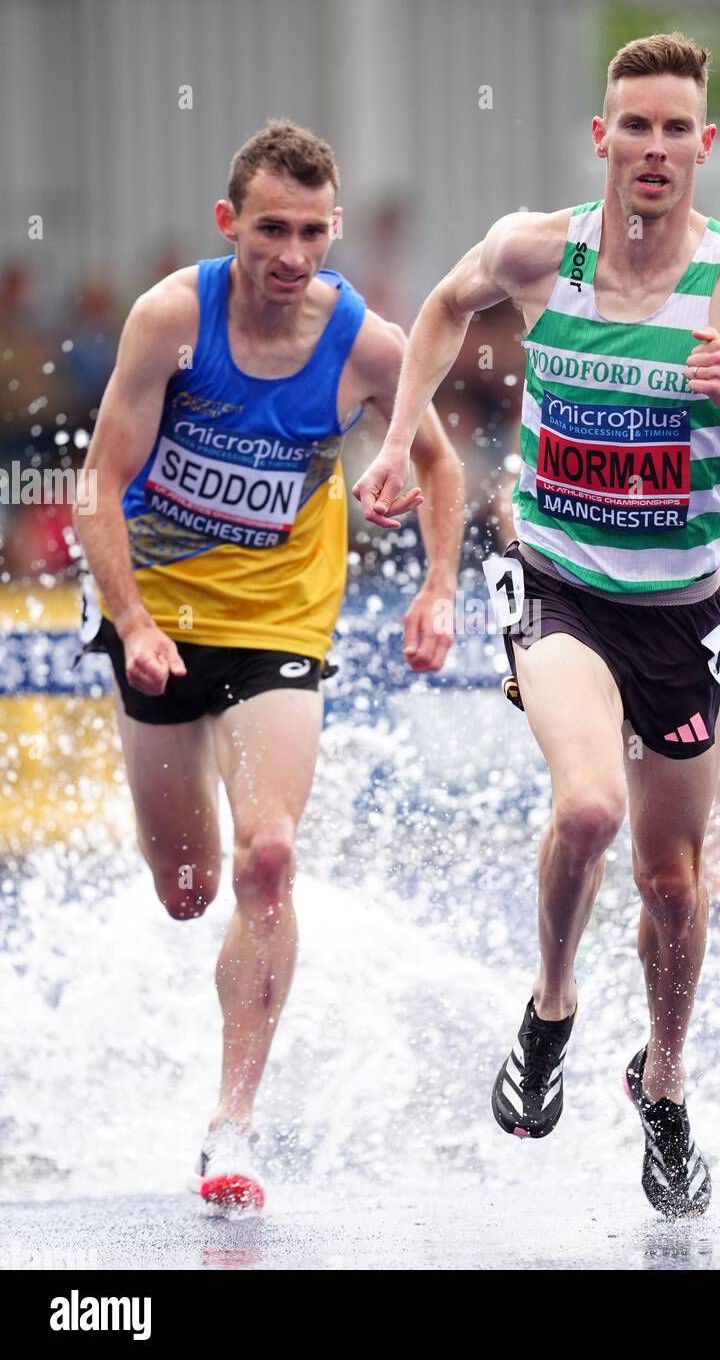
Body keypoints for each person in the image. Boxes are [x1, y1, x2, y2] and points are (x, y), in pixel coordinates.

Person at [353, 33, 720, 1219]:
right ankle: (551, 1006)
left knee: (674, 887)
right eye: (634, 125)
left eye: (676, 128)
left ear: (702, 146)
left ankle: (665, 1082)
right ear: (603, 138)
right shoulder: (539, 250)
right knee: (587, 805)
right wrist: (395, 436)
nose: (654, 148)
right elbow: (436, 305)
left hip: (682, 613)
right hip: (559, 583)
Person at [73, 119, 463, 1212]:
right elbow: (97, 484)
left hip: (282, 627)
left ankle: (231, 1126)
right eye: (272, 231)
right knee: (190, 891)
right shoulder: (172, 319)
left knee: (271, 854)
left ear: (334, 231)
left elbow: (439, 464)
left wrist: (437, 586)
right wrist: (135, 622)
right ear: (229, 224)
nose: (293, 256)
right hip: (158, 620)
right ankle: (198, 786)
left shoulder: (366, 343)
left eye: (313, 233)